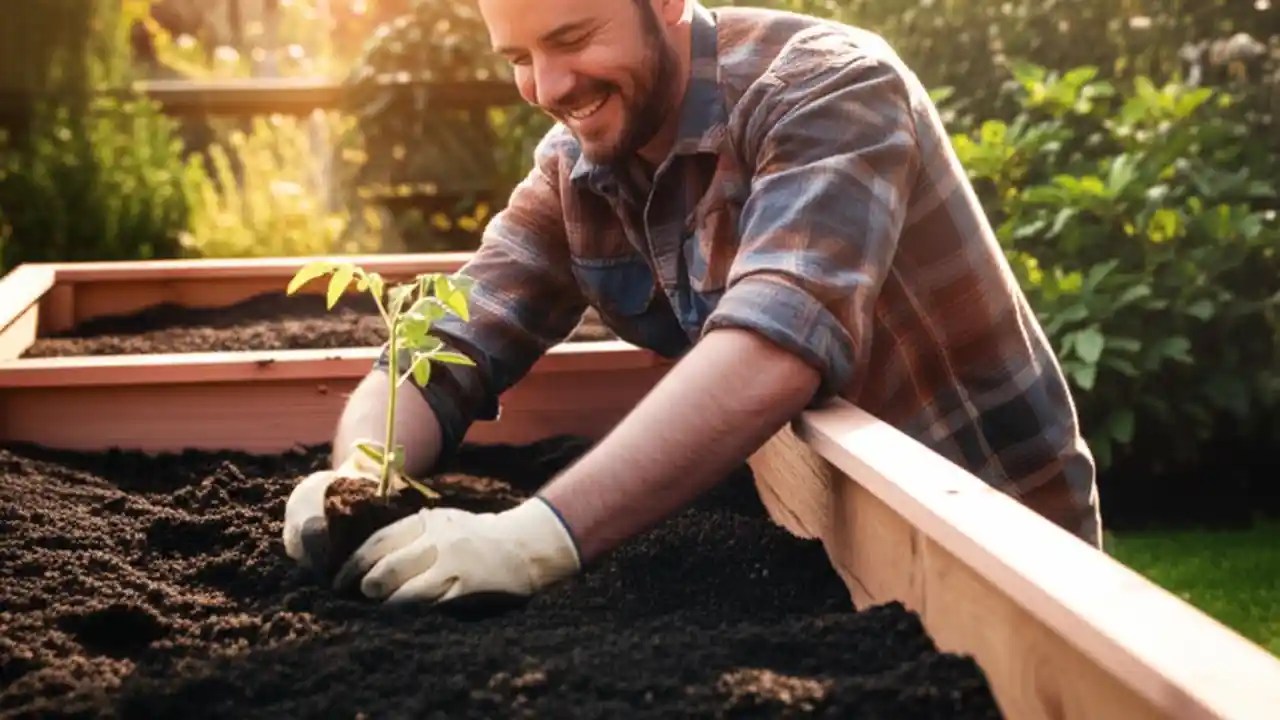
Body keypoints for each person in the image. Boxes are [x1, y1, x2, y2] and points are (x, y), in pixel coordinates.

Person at [283, 0, 1103, 605]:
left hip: (1002, 547)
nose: (548, 86)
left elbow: (773, 347)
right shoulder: (576, 166)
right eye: (518, 58)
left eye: (571, 40)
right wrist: (363, 470)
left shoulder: (828, 90)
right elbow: (452, 336)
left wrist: (533, 540)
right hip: (821, 536)